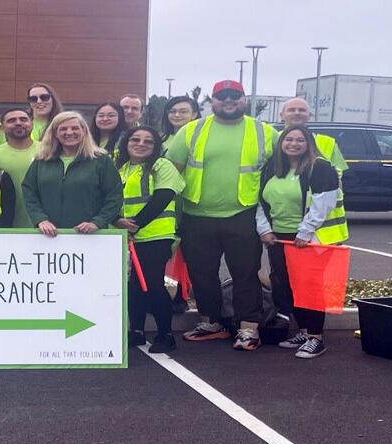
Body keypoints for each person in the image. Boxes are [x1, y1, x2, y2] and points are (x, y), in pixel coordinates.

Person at [165, 80, 278, 351]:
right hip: (196, 215)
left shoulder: (265, 132)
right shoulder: (192, 130)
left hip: (243, 214)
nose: (229, 100)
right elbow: (170, 172)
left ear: (244, 100)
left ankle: (248, 328)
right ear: (212, 101)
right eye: (222, 96)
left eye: (235, 96)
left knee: (246, 273)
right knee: (202, 274)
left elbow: (288, 167)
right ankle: (211, 323)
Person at [257, 125, 348, 359]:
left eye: (300, 140)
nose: (293, 144)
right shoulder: (272, 168)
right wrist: (265, 230)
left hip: (309, 240)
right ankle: (304, 332)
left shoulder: (320, 167)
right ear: (281, 143)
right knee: (285, 286)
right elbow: (259, 201)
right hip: (278, 238)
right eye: (288, 139)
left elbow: (324, 203)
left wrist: (305, 232)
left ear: (309, 144)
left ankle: (316, 337)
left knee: (309, 287)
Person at [115, 126, 187, 353]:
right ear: (126, 143)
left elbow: (163, 197)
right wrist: (117, 221)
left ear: (156, 146)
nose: (141, 144)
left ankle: (166, 334)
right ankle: (136, 330)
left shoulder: (161, 166)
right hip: (129, 236)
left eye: (148, 141)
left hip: (155, 235)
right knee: (134, 286)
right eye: (135, 139)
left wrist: (134, 225)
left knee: (153, 284)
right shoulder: (121, 168)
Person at [24, 112, 123, 238]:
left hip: (90, 236)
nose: (69, 132)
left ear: (84, 131)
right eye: (63, 129)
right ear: (55, 133)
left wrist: (98, 222)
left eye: (75, 128)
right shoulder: (41, 160)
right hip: (48, 236)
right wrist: (40, 219)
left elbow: (114, 195)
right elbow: (29, 191)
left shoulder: (101, 160)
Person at [159, 96, 202, 314]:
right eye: (172, 111)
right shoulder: (161, 140)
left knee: (188, 251)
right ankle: (164, 293)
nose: (177, 115)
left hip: (191, 201)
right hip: (166, 201)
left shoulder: (200, 138)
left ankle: (183, 295)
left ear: (194, 114)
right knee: (167, 249)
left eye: (183, 111)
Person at [279, 97, 349, 175]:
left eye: (302, 110)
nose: (297, 113)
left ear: (310, 116)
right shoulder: (273, 138)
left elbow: (342, 173)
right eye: (291, 110)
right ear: (282, 115)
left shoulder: (328, 142)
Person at [0, 108, 37, 228]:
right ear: (2, 128)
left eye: (23, 119)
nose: (18, 123)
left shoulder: (47, 152)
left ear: (32, 124)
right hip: (4, 226)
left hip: (43, 227)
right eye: (11, 120)